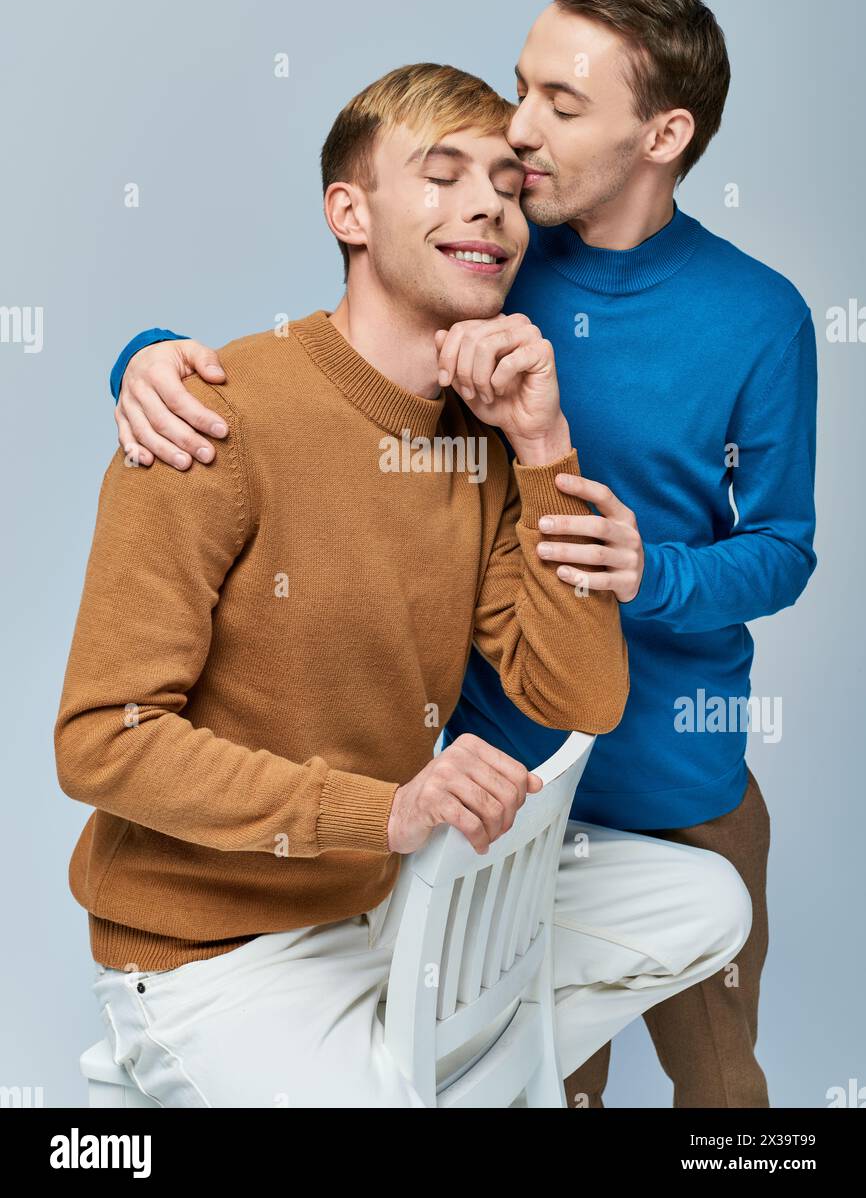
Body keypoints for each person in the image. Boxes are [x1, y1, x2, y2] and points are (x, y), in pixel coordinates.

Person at [56, 59, 750, 1107]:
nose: (486, 204)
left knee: (705, 900)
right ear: (348, 210)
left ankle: (414, 1068)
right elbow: (100, 739)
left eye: (508, 187)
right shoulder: (210, 413)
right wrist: (383, 811)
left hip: (386, 908)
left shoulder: (484, 440)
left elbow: (580, 698)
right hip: (212, 955)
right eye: (440, 175)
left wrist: (545, 445)